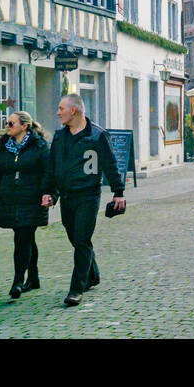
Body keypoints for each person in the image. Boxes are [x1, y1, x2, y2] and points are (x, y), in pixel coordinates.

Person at [41, 93, 126, 306]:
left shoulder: (97, 135)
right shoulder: (60, 137)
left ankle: (76, 289)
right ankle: (93, 274)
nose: (58, 112)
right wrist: (49, 193)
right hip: (67, 196)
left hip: (88, 196)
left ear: (74, 111)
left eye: (61, 108)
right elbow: (52, 168)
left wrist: (118, 192)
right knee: (77, 239)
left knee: (81, 239)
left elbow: (111, 164)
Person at [0, 110, 50, 300]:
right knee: (25, 237)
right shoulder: (4, 146)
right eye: (6, 123)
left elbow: (49, 173)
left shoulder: (39, 146)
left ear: (24, 126)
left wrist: (49, 194)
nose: (7, 127)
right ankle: (34, 277)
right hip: (9, 200)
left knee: (22, 237)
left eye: (11, 124)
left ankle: (18, 281)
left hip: (32, 200)